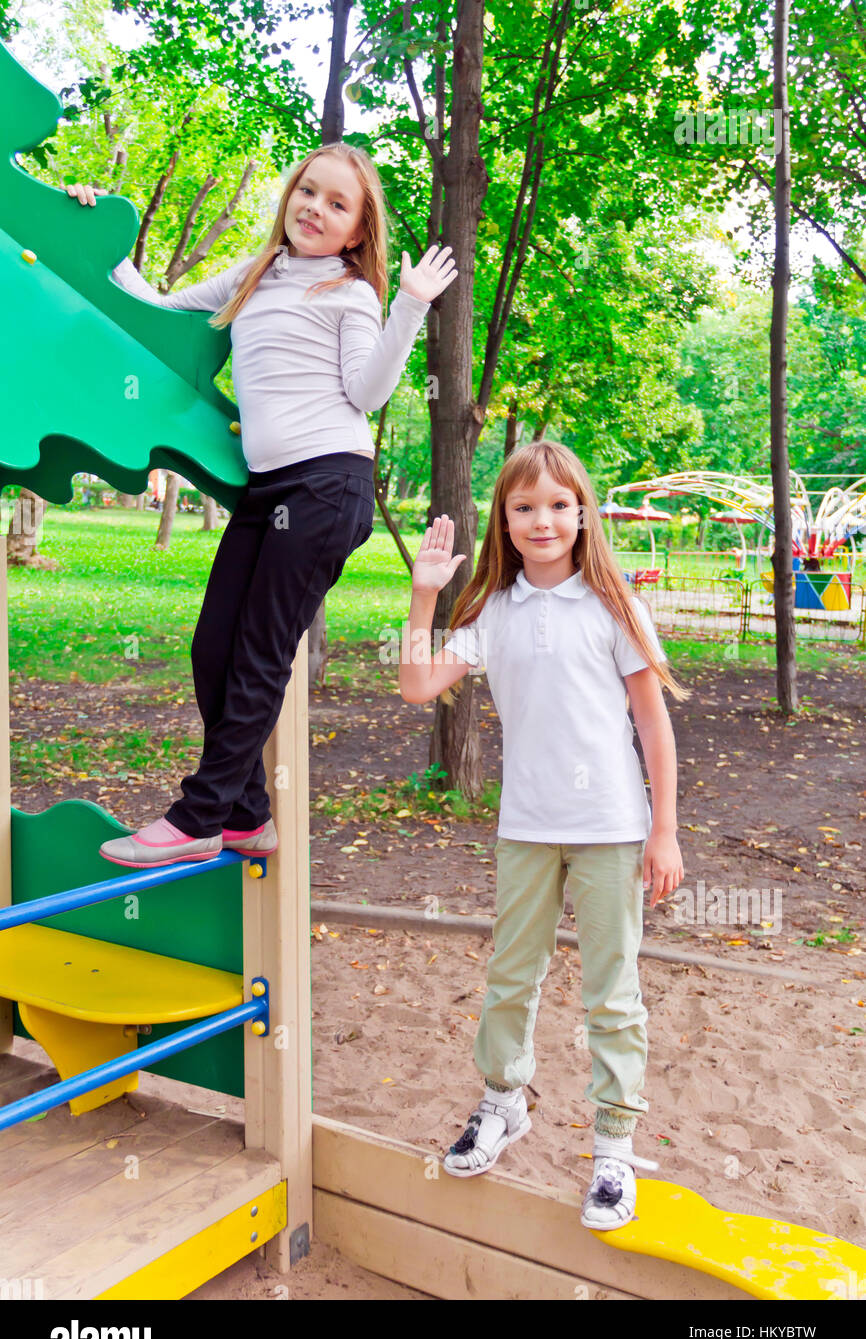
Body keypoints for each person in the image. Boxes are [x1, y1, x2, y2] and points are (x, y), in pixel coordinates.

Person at [62, 143, 457, 868]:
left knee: (259, 658)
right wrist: (99, 241)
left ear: (358, 232)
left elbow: (366, 394)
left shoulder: (349, 293)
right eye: (309, 191)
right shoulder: (257, 274)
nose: (315, 209)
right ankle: (245, 815)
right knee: (212, 648)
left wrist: (409, 306)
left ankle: (199, 814)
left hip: (325, 485)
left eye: (338, 204)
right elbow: (156, 311)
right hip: (267, 489)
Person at [399, 440, 687, 1230]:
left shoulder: (615, 604)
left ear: (583, 513)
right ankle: (503, 1103)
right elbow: (418, 684)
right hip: (526, 828)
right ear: (505, 519)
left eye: (559, 504)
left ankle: (614, 1148)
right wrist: (425, 598)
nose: (543, 520)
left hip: (611, 829)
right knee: (511, 976)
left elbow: (652, 721)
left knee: (612, 992)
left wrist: (664, 830)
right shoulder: (492, 611)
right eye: (524, 507)